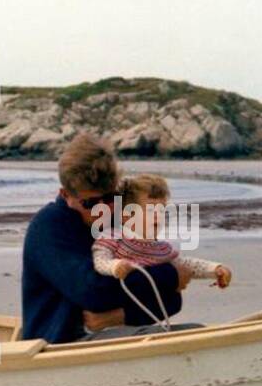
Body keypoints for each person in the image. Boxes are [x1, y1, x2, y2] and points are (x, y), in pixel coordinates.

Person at [20, 134, 191, 344]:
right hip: (59, 342)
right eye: (91, 203)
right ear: (65, 195)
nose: (103, 209)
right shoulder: (49, 227)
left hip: (111, 332)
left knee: (195, 332)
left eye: (109, 198)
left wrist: (121, 315)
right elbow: (93, 292)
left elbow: (172, 300)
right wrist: (170, 274)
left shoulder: (117, 217)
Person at [92, 173, 233, 300]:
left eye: (161, 210)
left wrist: (214, 269)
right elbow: (99, 259)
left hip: (147, 308)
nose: (158, 215)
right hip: (116, 304)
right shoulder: (113, 237)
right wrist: (114, 266)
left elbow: (184, 264)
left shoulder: (160, 249)